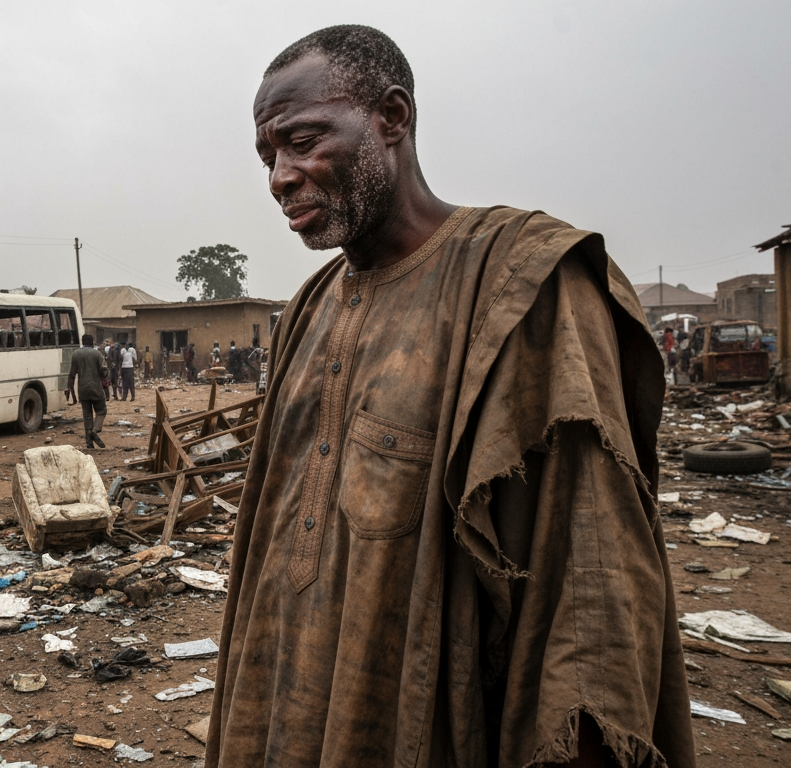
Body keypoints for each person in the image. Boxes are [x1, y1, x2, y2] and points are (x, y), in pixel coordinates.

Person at [206, 26, 691, 768]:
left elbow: (587, 580)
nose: (280, 175)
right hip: (290, 708)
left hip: (434, 724)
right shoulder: (308, 307)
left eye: (302, 141)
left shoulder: (520, 281)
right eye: (269, 155)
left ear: (392, 118)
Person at [66, 334, 108, 449]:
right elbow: (104, 370)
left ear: (82, 341)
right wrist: (104, 377)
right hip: (96, 388)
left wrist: (69, 389)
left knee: (87, 416)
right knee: (101, 410)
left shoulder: (76, 354)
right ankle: (95, 430)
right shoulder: (97, 354)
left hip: (83, 389)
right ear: (92, 342)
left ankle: (89, 443)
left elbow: (72, 374)